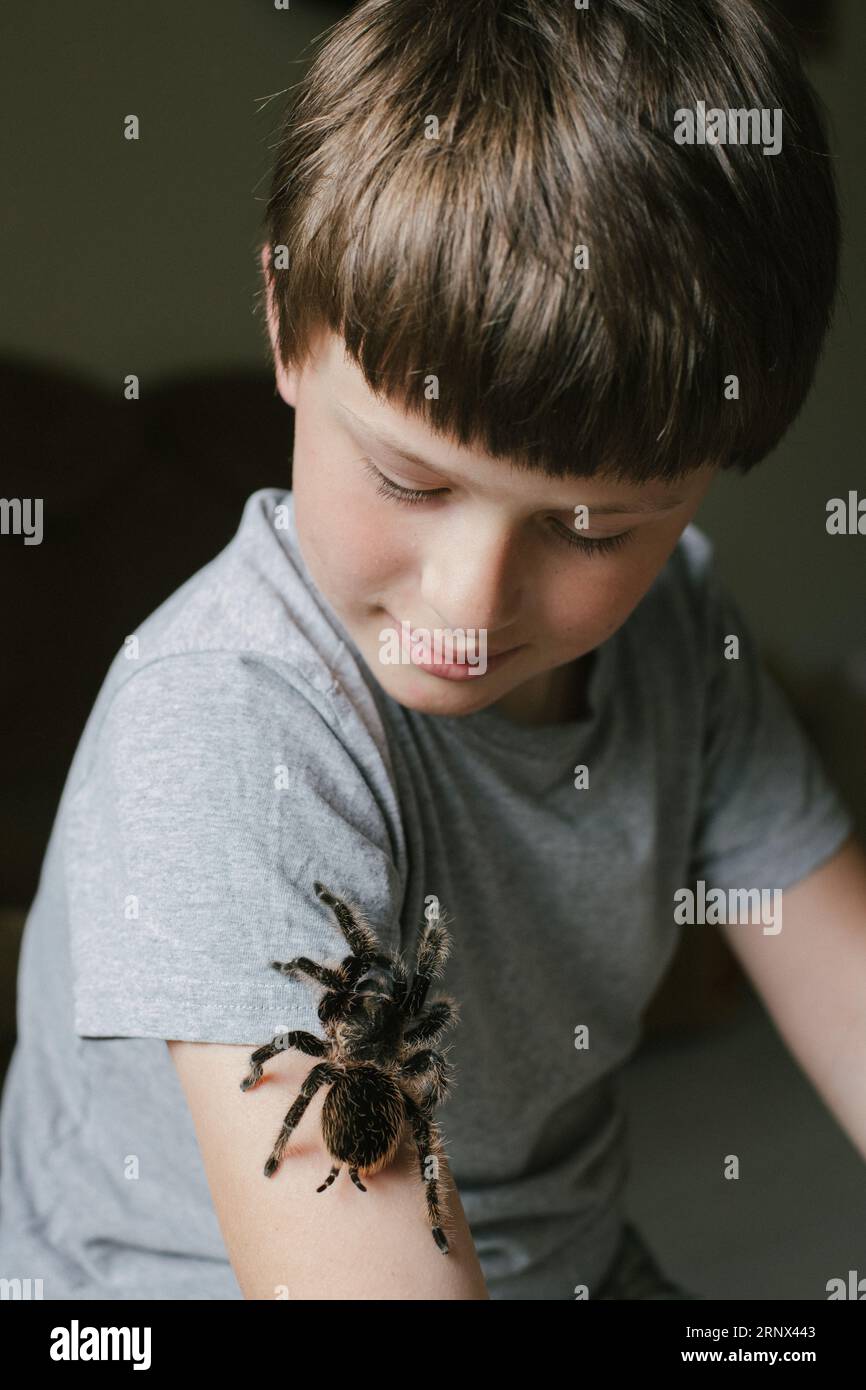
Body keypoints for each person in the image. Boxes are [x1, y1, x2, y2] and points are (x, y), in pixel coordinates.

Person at [1, 0, 863, 1301]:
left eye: (590, 527)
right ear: (286, 322)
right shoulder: (225, 731)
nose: (470, 600)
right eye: (409, 481)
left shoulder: (675, 629)